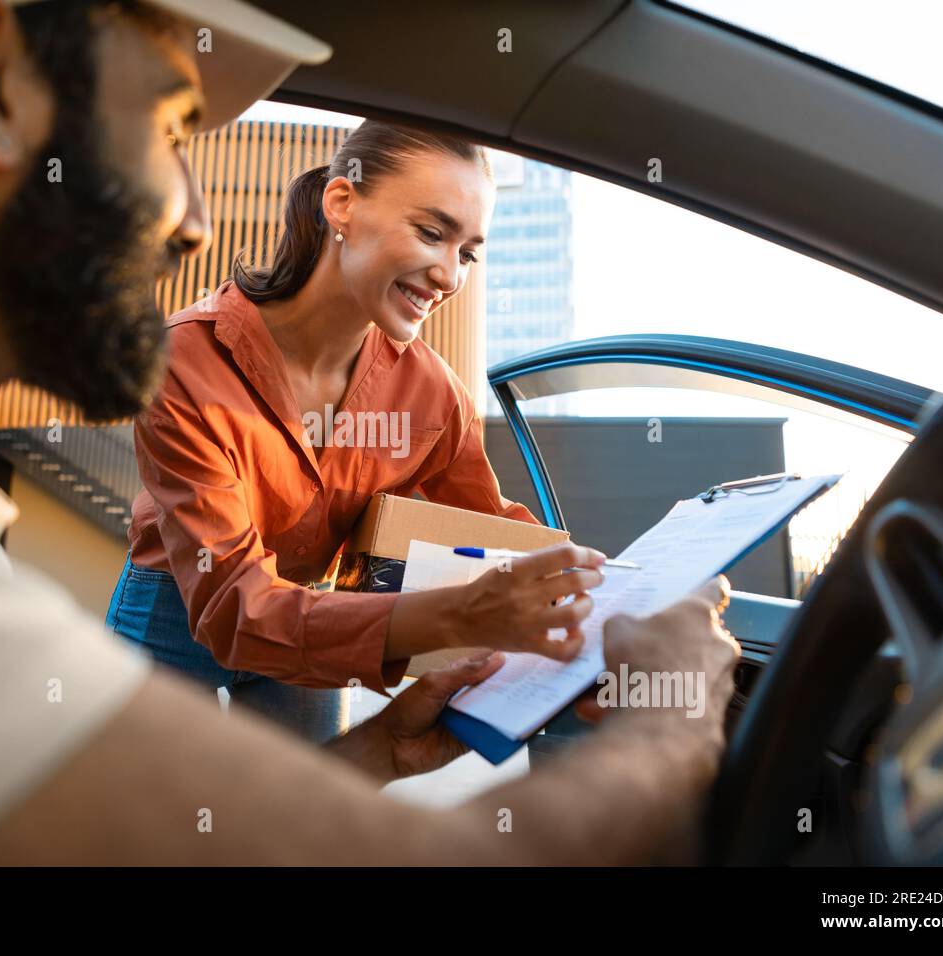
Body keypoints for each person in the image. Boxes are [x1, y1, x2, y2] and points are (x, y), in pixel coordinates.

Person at [0, 0, 740, 865]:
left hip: (320, 634)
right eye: (168, 127)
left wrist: (586, 598)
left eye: (468, 247)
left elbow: (486, 527)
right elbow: (239, 619)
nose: (193, 217)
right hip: (194, 614)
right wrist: (678, 723)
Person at [106, 120, 603, 742]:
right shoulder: (185, 359)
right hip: (176, 612)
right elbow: (234, 607)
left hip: (316, 618)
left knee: (305, 824)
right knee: (151, 828)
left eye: (468, 252)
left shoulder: (430, 392)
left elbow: (493, 529)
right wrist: (444, 618)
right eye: (431, 232)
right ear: (341, 203)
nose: (450, 276)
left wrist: (610, 600)